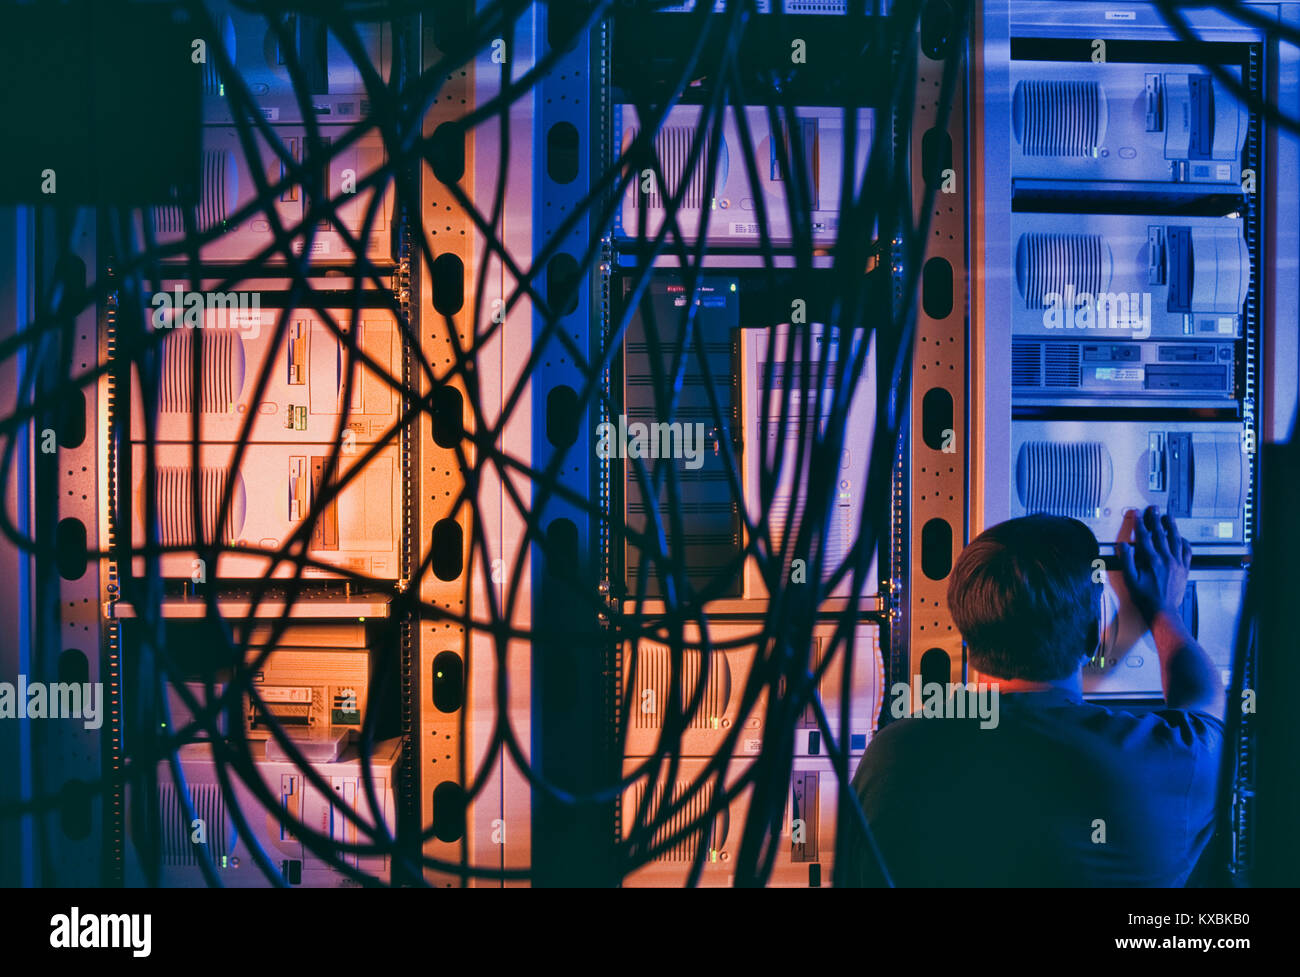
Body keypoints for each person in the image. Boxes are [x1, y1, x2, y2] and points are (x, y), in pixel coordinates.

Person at [841, 507, 1226, 887]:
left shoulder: (893, 754)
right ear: (1094, 636)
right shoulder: (1159, 761)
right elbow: (1207, 703)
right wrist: (1164, 608)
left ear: (968, 641)